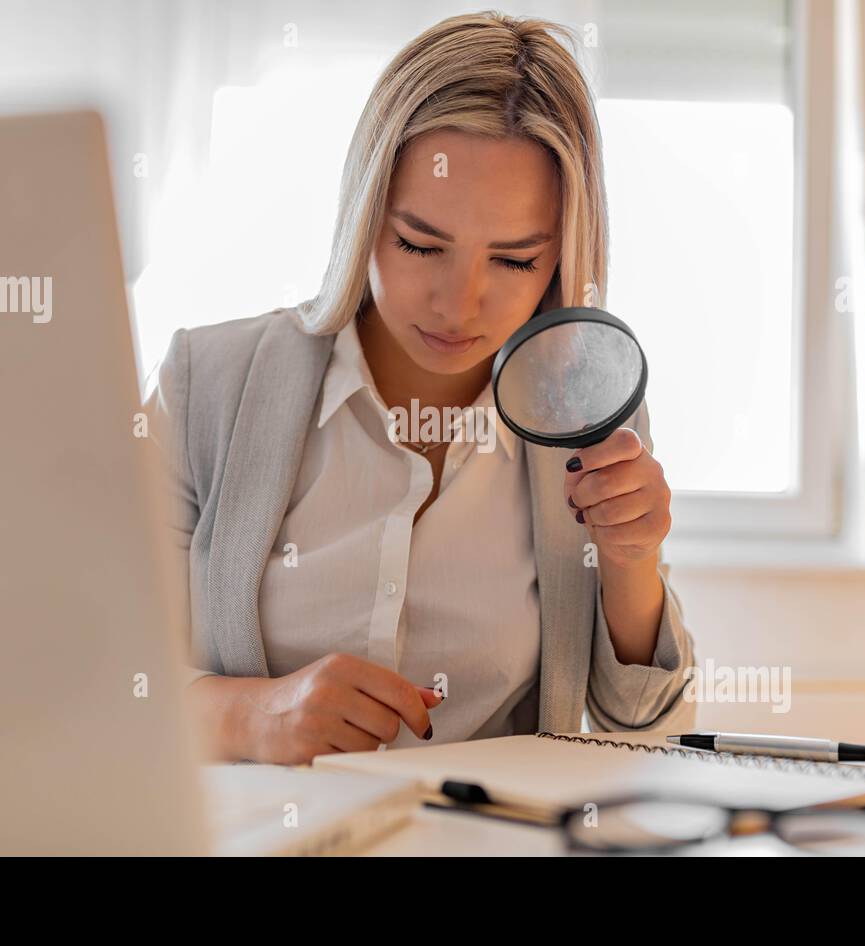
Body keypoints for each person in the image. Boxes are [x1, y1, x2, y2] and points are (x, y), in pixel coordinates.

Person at [144, 11, 695, 765]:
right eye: (419, 244)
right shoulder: (205, 387)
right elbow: (88, 680)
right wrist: (254, 717)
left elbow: (641, 724)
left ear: (564, 257)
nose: (459, 304)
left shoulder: (587, 410)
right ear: (364, 214)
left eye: (514, 261)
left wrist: (632, 559)